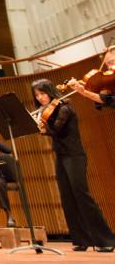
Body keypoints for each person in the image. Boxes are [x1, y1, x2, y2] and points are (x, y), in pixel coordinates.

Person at [32, 78, 115, 253]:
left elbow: (54, 130)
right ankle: (81, 240)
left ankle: (106, 239)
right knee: (67, 197)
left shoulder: (64, 109)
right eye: (37, 95)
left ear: (50, 92)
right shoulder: (47, 110)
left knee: (82, 195)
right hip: (61, 156)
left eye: (43, 93)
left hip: (74, 155)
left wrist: (38, 125)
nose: (40, 98)